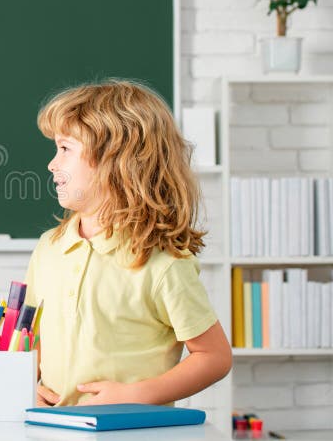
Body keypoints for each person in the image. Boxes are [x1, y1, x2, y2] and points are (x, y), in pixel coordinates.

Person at [25, 80, 232, 407]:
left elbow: (214, 356)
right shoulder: (49, 249)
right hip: (51, 429)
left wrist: (136, 395)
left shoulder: (162, 262)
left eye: (65, 149)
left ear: (115, 160)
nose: (53, 164)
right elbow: (32, 337)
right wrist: (26, 382)